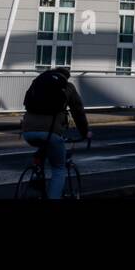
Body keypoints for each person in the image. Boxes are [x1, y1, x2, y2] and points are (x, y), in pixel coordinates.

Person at [21, 66, 90, 199]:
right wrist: (85, 132)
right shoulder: (67, 86)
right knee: (58, 168)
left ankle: (37, 175)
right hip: (51, 133)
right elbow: (78, 111)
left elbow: (26, 103)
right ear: (67, 77)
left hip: (28, 132)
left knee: (43, 148)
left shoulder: (38, 82)